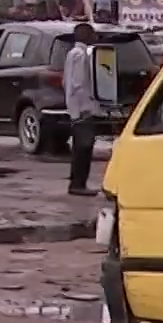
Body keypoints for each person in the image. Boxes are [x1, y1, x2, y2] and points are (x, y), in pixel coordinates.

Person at [63, 22, 101, 197]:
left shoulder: (73, 53)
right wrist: (84, 109)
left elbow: (67, 83)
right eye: (92, 34)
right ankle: (79, 184)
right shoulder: (81, 55)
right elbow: (78, 84)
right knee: (84, 147)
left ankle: (76, 182)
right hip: (82, 108)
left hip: (76, 107)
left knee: (80, 146)